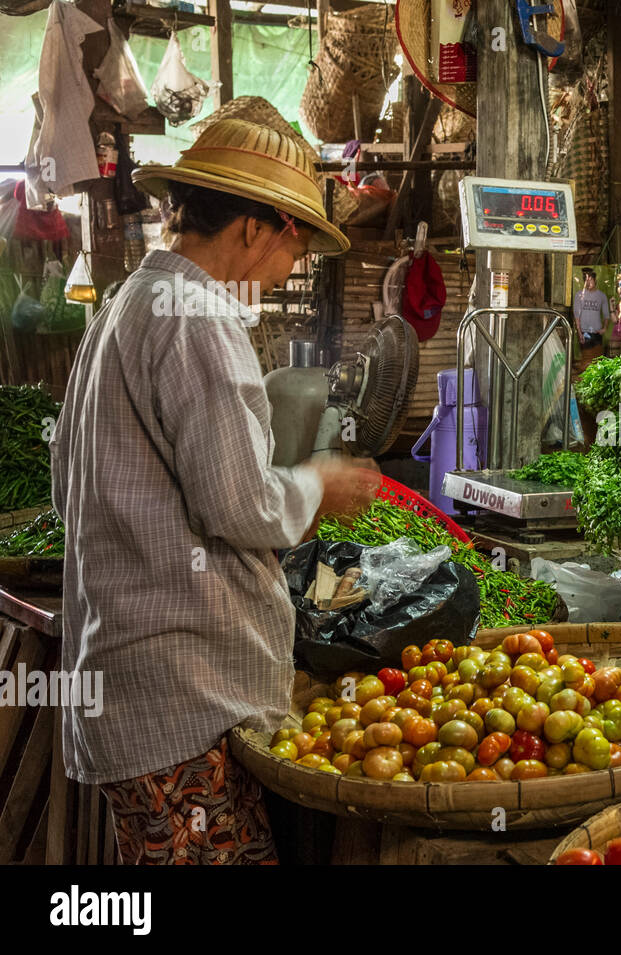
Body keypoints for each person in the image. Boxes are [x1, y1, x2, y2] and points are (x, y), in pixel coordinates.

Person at [49, 119, 381, 865]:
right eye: (294, 247)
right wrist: (317, 485)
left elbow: (67, 488)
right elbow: (241, 505)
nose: (288, 270)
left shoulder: (127, 305)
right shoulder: (198, 318)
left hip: (137, 691)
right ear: (256, 226)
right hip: (181, 700)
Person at [573, 267, 609, 348]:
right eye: (586, 281)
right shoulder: (579, 295)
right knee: (586, 357)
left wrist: (604, 328)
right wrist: (579, 333)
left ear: (595, 280)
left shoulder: (601, 296)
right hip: (584, 332)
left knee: (597, 358)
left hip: (597, 332)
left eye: (590, 280)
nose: (588, 283)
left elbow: (606, 314)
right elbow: (576, 316)